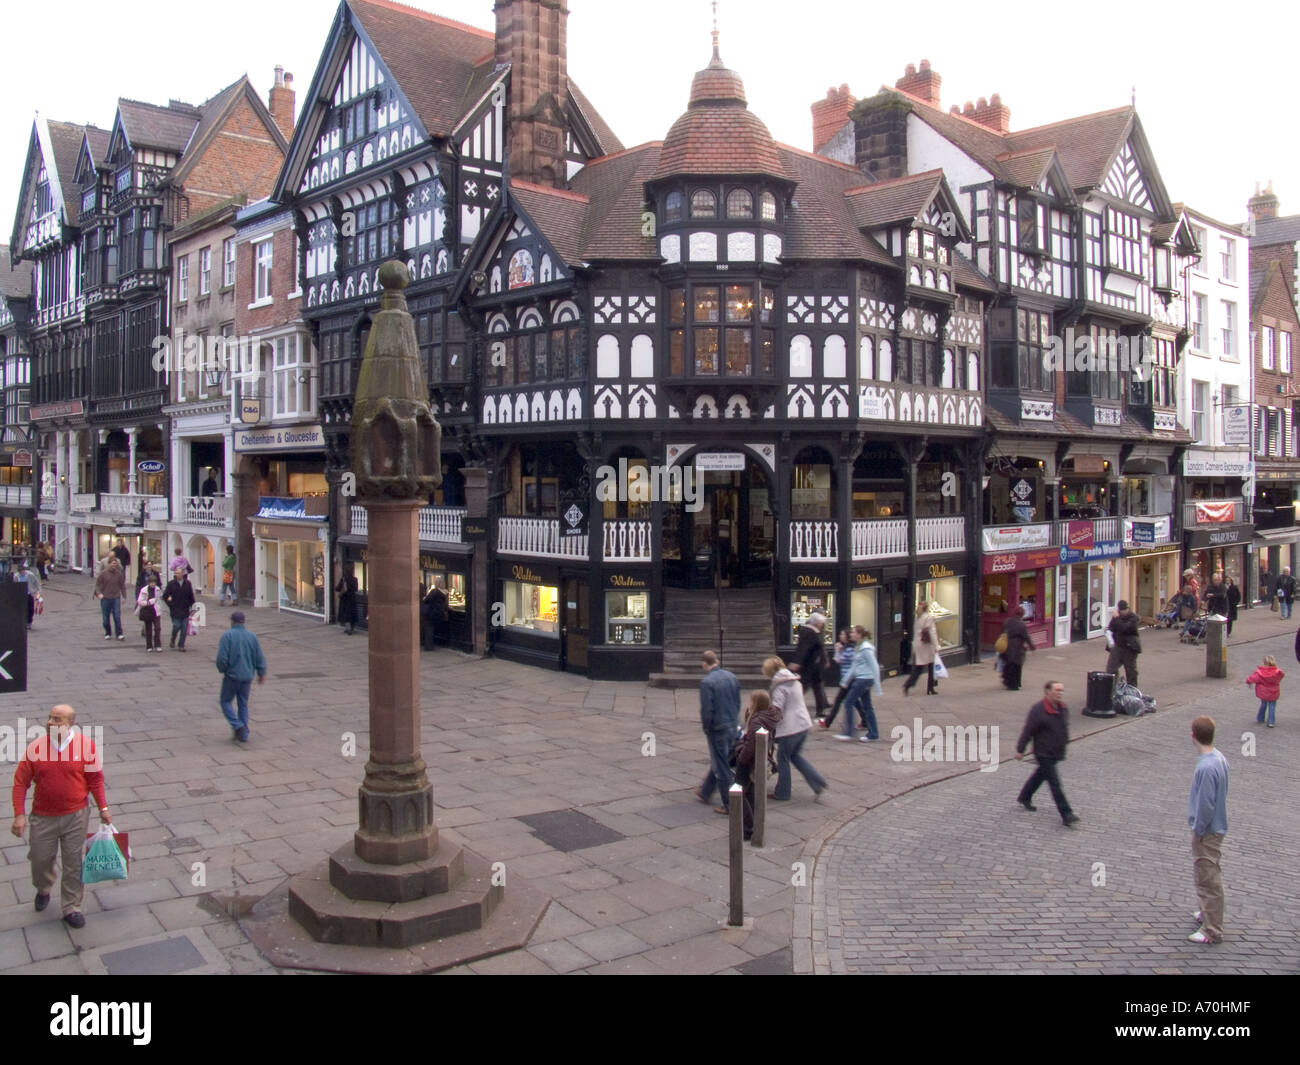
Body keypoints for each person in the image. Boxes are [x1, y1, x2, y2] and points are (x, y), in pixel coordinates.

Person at [9, 704, 112, 929]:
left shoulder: (86, 747)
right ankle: (43, 887)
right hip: (43, 816)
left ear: (70, 724)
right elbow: (20, 783)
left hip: (76, 815)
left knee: (73, 862)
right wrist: (19, 815)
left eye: (58, 720)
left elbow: (95, 779)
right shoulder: (36, 748)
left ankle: (71, 907)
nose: (51, 722)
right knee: (40, 859)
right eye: (50, 718)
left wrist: (103, 809)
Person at [1188, 715, 1229, 944]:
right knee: (1207, 873)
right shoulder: (1219, 758)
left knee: (1207, 877)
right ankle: (1206, 912)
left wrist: (1198, 831)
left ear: (1193, 735)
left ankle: (1211, 930)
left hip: (1207, 831)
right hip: (1217, 826)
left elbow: (1205, 804)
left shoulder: (1205, 767)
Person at [1015, 680, 1079, 826]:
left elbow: (1063, 728)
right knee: (1055, 783)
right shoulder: (1038, 710)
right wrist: (1020, 749)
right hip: (1043, 752)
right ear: (1048, 692)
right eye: (1057, 690)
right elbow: (1028, 731)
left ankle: (1025, 796)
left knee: (1040, 775)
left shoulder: (1063, 708)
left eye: (1061, 690)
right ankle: (1066, 813)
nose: (1060, 693)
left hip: (1056, 750)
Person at [764, 656, 826, 802]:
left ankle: (783, 792)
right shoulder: (795, 681)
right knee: (795, 756)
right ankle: (818, 782)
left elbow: (777, 709)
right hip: (803, 725)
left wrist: (766, 722)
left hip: (789, 729)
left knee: (783, 758)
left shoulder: (780, 686)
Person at [734, 690, 782, 841]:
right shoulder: (769, 716)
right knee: (750, 793)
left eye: (751, 701)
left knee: (739, 794)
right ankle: (752, 824)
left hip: (749, 761)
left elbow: (751, 745)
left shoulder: (756, 721)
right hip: (758, 760)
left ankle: (748, 828)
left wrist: (741, 758)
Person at [697, 650, 741, 814]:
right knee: (723, 760)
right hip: (732, 724)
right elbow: (737, 702)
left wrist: (707, 728)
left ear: (704, 663)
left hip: (718, 728)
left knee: (721, 766)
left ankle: (730, 803)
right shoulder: (731, 677)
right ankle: (706, 791)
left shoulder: (707, 683)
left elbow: (707, 710)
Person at [216, 610, 267, 743]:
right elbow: (259, 656)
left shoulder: (227, 636)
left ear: (232, 622)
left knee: (225, 701)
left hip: (232, 675)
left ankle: (238, 726)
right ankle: (244, 734)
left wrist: (223, 669)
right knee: (243, 703)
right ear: (243, 622)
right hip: (247, 676)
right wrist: (261, 673)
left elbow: (222, 658)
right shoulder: (252, 636)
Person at [835, 626, 882, 741]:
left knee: (848, 703)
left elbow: (874, 666)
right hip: (862, 678)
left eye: (853, 632)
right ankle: (873, 734)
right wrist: (845, 681)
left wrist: (877, 686)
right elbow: (854, 666)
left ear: (859, 635)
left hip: (863, 679)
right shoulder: (859, 647)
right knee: (867, 706)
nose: (851, 634)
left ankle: (849, 732)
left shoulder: (865, 649)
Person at [792, 611, 830, 718]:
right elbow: (803, 649)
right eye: (821, 623)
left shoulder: (815, 632)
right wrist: (797, 662)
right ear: (816, 623)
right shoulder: (808, 632)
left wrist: (824, 659)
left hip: (816, 665)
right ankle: (792, 706)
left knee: (817, 687)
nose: (822, 625)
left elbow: (820, 647)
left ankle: (820, 710)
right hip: (809, 665)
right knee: (803, 687)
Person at [820, 629, 857, 728]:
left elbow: (839, 660)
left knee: (838, 700)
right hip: (847, 678)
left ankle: (828, 722)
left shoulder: (850, 649)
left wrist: (838, 650)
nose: (840, 636)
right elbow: (838, 660)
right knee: (855, 701)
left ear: (847, 637)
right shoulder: (846, 648)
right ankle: (866, 720)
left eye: (842, 634)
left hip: (848, 679)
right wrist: (839, 650)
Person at [902, 601, 939, 696]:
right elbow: (932, 633)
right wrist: (936, 646)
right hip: (927, 645)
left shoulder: (917, 618)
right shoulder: (929, 618)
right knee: (931, 667)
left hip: (918, 645)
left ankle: (908, 684)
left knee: (918, 668)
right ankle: (930, 688)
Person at [1106, 600, 1141, 688]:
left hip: (1129, 647)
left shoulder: (1133, 618)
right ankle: (1114, 688)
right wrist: (1108, 633)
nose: (1125, 611)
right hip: (1118, 646)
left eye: (1126, 609)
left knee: (1131, 671)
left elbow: (1124, 628)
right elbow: (1111, 627)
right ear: (1120, 610)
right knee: (1111, 668)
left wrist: (1117, 619)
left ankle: (1132, 689)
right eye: (1123, 610)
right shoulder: (1116, 617)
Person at [1000, 606, 1034, 692]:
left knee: (1009, 664)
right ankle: (1014, 684)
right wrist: (1031, 646)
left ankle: (1007, 681)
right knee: (1017, 666)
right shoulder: (1021, 624)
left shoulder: (1007, 621)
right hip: (1017, 647)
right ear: (1022, 614)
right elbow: (1026, 636)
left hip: (1007, 645)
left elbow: (1003, 631)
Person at [1245, 654, 1283, 728]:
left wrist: (1248, 681)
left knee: (1263, 704)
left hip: (1263, 692)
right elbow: (1282, 675)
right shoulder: (1277, 672)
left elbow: (1252, 678)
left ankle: (1260, 718)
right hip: (1273, 692)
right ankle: (1271, 722)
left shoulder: (1260, 672)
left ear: (1264, 662)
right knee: (1272, 706)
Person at [163, 567, 196, 651]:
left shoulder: (187, 583)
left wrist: (193, 606)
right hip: (175, 609)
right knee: (176, 626)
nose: (177, 574)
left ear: (182, 574)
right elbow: (165, 596)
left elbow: (191, 596)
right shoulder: (171, 584)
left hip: (185, 609)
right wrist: (170, 604)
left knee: (184, 628)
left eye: (179, 573)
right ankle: (173, 638)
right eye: (176, 573)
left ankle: (181, 645)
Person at [94, 556, 126, 640]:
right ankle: (108, 632)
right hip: (105, 598)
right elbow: (97, 585)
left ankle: (119, 633)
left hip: (116, 597)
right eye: (113, 564)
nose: (114, 566)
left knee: (117, 616)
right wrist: (99, 593)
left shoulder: (119, 574)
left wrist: (124, 596)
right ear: (108, 564)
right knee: (105, 617)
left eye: (115, 564)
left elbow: (122, 586)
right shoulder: (103, 574)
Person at [136, 571, 164, 652]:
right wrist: (148, 602)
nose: (153, 584)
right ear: (148, 583)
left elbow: (160, 598)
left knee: (158, 628)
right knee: (149, 629)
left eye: (154, 582)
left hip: (156, 611)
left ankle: (158, 645)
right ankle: (149, 646)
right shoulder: (144, 590)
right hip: (147, 611)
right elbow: (140, 601)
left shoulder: (158, 589)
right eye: (151, 582)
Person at [13, 560, 40, 630]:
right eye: (20, 571)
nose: (21, 573)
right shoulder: (16, 576)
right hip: (21, 595)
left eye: (22, 571)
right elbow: (14, 586)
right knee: (21, 609)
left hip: (29, 594)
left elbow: (36, 583)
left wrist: (38, 592)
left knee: (30, 609)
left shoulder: (30, 575)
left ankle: (29, 623)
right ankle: (22, 622)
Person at [336, 564, 359, 635]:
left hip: (345, 599)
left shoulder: (343, 579)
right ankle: (352, 628)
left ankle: (348, 629)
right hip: (352, 599)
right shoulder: (355, 579)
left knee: (346, 614)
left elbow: (337, 588)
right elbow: (356, 589)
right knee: (352, 613)